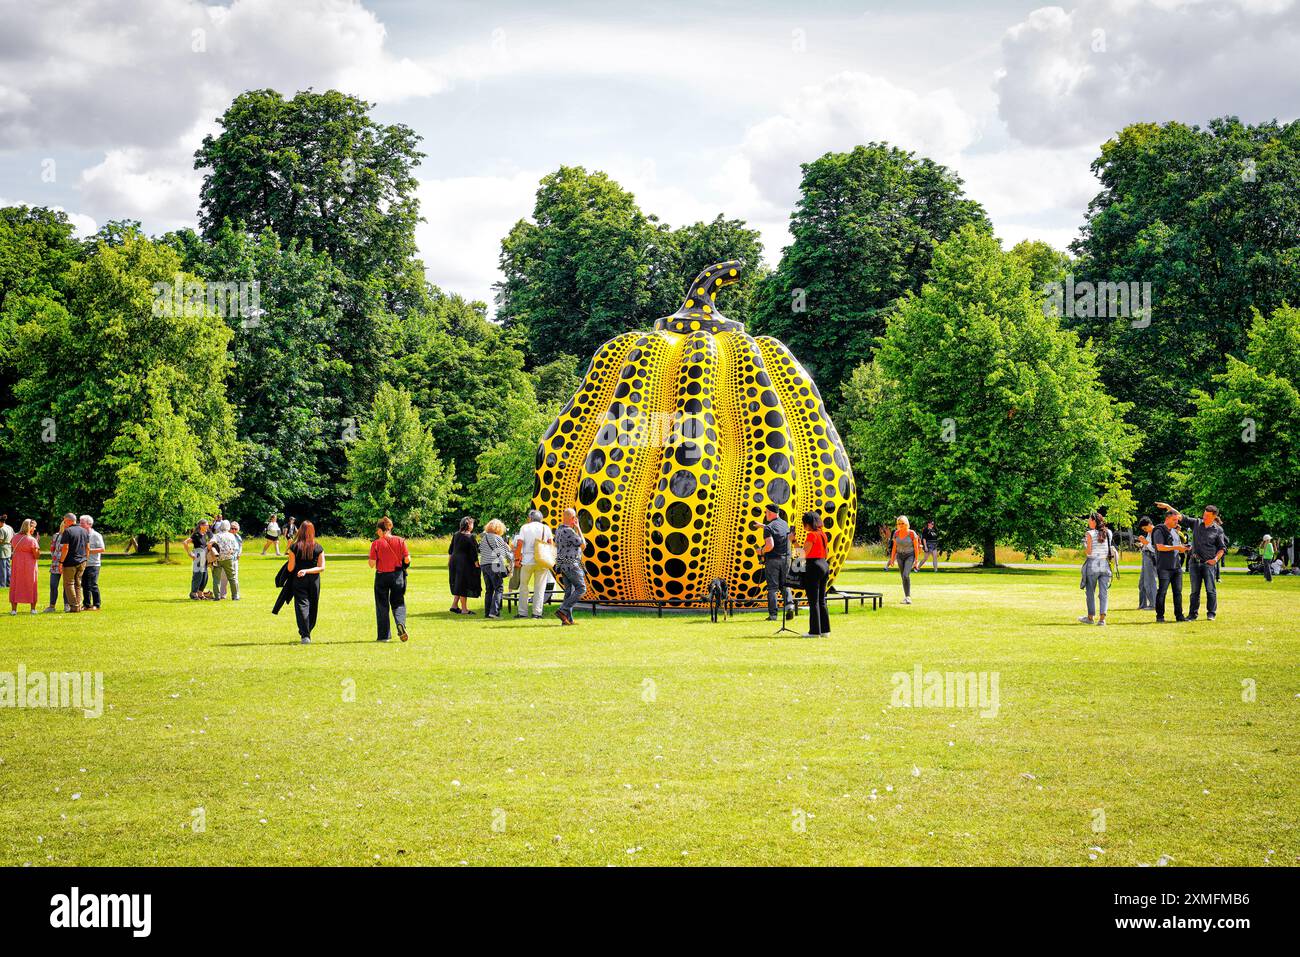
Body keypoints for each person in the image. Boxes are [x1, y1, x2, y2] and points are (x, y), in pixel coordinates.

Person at [1155, 502, 1227, 621]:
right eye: (1204, 515)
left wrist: (1215, 560)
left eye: (1207, 516)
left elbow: (1222, 548)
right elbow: (1179, 516)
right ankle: (1193, 614)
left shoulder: (1218, 530)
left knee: (1210, 589)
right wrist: (1168, 507)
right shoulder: (1197, 523)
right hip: (1194, 562)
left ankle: (1211, 613)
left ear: (1214, 516)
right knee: (1194, 591)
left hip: (1208, 564)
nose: (1204, 517)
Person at [369, 517, 410, 642]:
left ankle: (384, 636)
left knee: (382, 605)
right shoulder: (401, 541)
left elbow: (371, 564)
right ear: (390, 527)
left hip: (382, 576)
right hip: (397, 575)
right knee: (398, 602)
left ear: (381, 530)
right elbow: (407, 559)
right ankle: (400, 623)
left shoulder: (376, 544)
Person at [286, 521, 324, 643]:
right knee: (313, 606)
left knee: (301, 605)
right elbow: (321, 567)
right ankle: (307, 630)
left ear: (300, 531)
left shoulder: (294, 547)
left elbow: (290, 568)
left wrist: (301, 569)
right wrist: (308, 571)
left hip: (299, 579)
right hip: (314, 580)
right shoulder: (318, 547)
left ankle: (305, 634)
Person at [513, 510, 553, 619]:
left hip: (527, 560)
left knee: (524, 586)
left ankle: (522, 612)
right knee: (540, 587)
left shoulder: (525, 528)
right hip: (542, 560)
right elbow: (550, 544)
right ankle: (537, 613)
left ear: (530, 518)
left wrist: (517, 558)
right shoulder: (546, 528)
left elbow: (520, 543)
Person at [1152, 509, 1190, 623]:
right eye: (1174, 520)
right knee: (1162, 592)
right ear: (1167, 518)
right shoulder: (1159, 530)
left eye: (1177, 520)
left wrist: (1183, 548)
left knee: (1178, 592)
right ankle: (1160, 616)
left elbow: (1176, 547)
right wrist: (1177, 548)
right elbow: (1160, 547)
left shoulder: (1174, 532)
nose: (1176, 522)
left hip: (1176, 566)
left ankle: (1179, 616)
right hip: (1164, 567)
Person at [554, 508, 587, 625]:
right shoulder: (569, 531)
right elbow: (583, 545)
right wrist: (578, 528)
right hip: (571, 563)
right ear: (573, 519)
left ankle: (567, 620)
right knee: (581, 588)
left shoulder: (559, 529)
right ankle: (562, 610)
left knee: (569, 591)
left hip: (562, 563)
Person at [1078, 512, 1112, 626]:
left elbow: (1089, 551)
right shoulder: (1108, 532)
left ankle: (1090, 617)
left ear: (1094, 521)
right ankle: (1102, 619)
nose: (1088, 521)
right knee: (1104, 593)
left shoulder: (1089, 533)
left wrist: (1085, 545)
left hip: (1093, 563)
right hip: (1105, 564)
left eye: (1089, 519)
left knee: (1090, 592)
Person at [760, 504, 792, 621]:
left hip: (773, 560)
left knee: (772, 588)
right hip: (786, 559)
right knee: (785, 585)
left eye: (766, 512)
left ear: (770, 512)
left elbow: (770, 545)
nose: (765, 514)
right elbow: (778, 532)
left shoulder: (768, 528)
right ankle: (790, 606)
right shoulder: (784, 524)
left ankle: (773, 615)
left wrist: (761, 551)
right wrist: (762, 526)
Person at [801, 511, 830, 637]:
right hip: (824, 564)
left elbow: (803, 554)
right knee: (821, 600)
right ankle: (825, 630)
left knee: (813, 601)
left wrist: (794, 541)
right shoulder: (823, 534)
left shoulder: (812, 535)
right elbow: (826, 552)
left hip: (813, 565)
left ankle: (814, 631)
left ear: (808, 523)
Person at [478, 519, 512, 619]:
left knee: (489, 590)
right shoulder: (497, 538)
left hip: (484, 565)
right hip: (495, 565)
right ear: (499, 528)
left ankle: (487, 613)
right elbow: (505, 553)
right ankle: (494, 612)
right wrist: (511, 560)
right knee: (499, 588)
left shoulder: (483, 538)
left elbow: (481, 551)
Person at [448, 516, 481, 615]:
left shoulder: (456, 534)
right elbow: (474, 552)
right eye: (472, 524)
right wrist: (477, 564)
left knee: (458, 583)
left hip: (454, 561)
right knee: (463, 584)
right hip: (464, 562)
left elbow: (451, 550)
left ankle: (454, 605)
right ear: (469, 525)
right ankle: (464, 609)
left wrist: (449, 562)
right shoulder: (470, 537)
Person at [57, 512, 89, 613]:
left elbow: (65, 548)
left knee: (69, 584)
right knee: (78, 584)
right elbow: (88, 547)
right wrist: (86, 559)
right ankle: (78, 605)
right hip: (82, 561)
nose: (64, 522)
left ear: (68, 520)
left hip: (70, 563)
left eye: (64, 520)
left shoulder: (68, 531)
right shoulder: (84, 531)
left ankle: (74, 607)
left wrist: (61, 562)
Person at [887, 515, 923, 605]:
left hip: (910, 556)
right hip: (900, 556)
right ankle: (907, 596)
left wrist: (916, 561)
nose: (901, 525)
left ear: (906, 523)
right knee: (903, 576)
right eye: (899, 524)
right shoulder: (896, 533)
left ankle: (908, 598)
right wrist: (892, 559)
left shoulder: (911, 533)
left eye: (902, 523)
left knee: (906, 575)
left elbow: (916, 547)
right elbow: (894, 547)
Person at [7, 519, 40, 614]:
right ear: (29, 527)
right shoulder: (32, 540)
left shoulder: (15, 537)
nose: (34, 529)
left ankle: (14, 610)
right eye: (33, 527)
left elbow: (13, 546)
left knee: (15, 584)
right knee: (31, 583)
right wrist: (37, 542)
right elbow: (36, 555)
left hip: (17, 563)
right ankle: (33, 609)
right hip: (29, 564)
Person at [208, 520, 240, 601]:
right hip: (228, 559)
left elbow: (209, 544)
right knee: (232, 577)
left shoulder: (216, 536)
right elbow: (235, 548)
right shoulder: (231, 536)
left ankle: (217, 596)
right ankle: (235, 596)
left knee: (216, 579)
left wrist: (211, 550)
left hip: (217, 559)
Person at [80, 515, 104, 611]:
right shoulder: (81, 535)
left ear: (89, 524)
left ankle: (97, 604)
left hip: (94, 564)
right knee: (84, 585)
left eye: (82, 523)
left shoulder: (96, 535)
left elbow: (102, 549)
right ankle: (86, 604)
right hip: (83, 563)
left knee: (92, 584)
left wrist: (88, 551)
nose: (80, 524)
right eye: (80, 522)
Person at [1135, 516, 1158, 610]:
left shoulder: (1156, 532)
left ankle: (1153, 604)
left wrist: (1145, 542)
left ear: (1149, 524)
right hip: (1145, 556)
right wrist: (1142, 545)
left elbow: (1156, 549)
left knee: (1150, 582)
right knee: (1142, 583)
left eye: (1145, 528)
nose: (1145, 530)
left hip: (1151, 558)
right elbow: (1148, 545)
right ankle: (1143, 604)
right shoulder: (1149, 533)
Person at [186, 519, 212, 599]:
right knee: (198, 574)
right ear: (201, 526)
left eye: (207, 525)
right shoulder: (196, 535)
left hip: (204, 556)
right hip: (198, 555)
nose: (207, 526)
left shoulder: (205, 534)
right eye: (206, 525)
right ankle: (193, 593)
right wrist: (190, 553)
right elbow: (185, 543)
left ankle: (200, 593)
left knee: (205, 575)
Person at [43, 525, 63, 612]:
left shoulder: (71, 535)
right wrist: (56, 557)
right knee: (53, 585)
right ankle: (52, 606)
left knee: (67, 586)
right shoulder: (56, 535)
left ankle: (67, 605)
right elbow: (52, 548)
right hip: (55, 564)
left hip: (67, 564)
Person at [0, 514, 12, 588]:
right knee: (8, 567)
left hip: (2, 549)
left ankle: (2, 584)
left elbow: (0, 540)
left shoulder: (1, 529)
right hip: (8, 548)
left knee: (2, 568)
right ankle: (9, 583)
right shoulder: (9, 527)